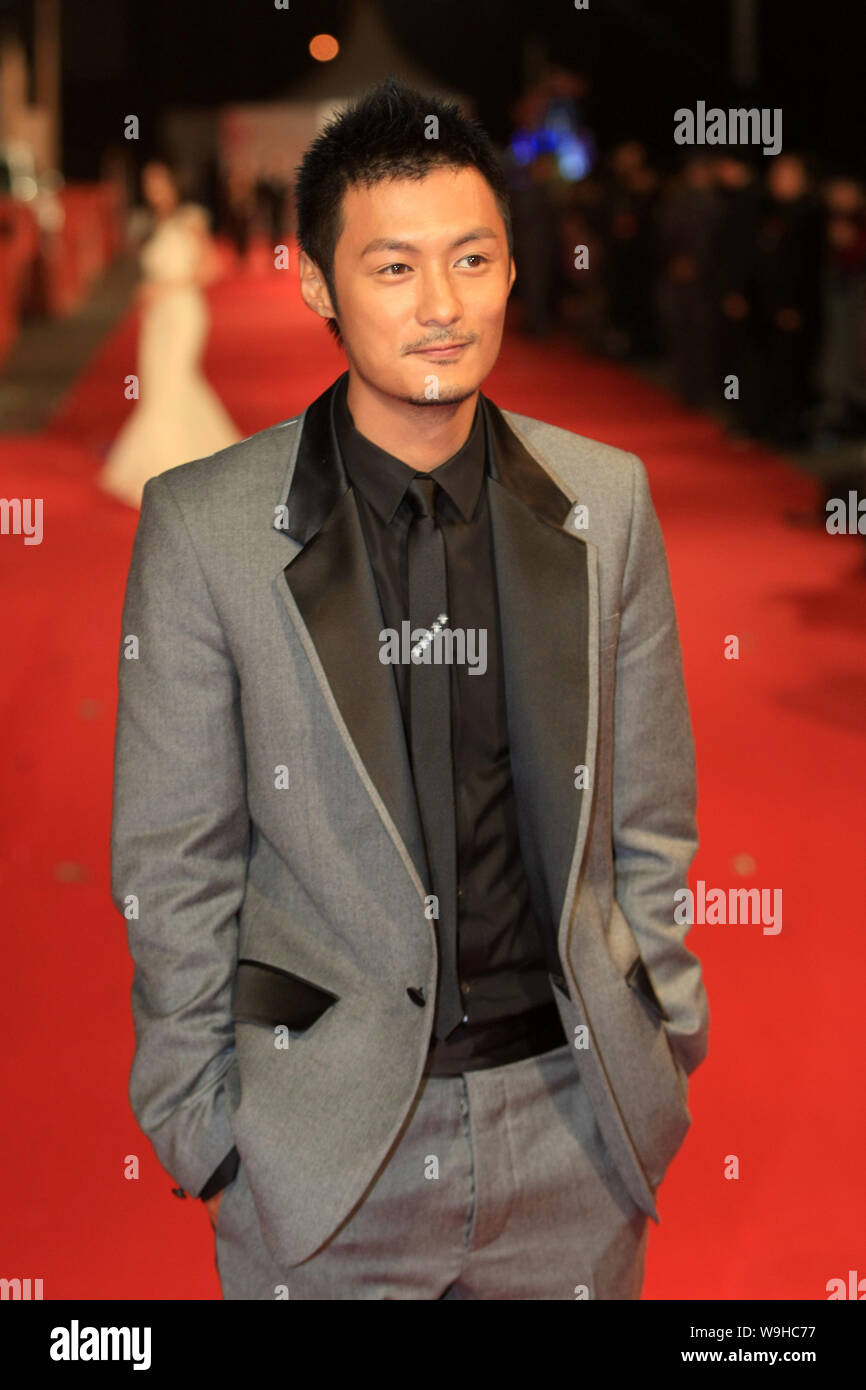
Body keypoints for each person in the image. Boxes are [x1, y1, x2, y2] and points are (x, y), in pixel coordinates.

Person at [111, 79, 708, 1300]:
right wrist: (207, 1131)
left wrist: (663, 1032)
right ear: (318, 285)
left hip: (572, 1138)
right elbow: (174, 859)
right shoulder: (208, 526)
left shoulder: (605, 502)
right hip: (320, 1157)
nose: (441, 307)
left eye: (471, 259)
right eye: (392, 269)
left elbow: (648, 817)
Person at [97, 160, 242, 509]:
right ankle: (202, 462)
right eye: (149, 184)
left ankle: (166, 472)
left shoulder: (191, 218)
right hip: (156, 319)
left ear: (174, 184)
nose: (153, 191)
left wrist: (163, 288)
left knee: (171, 384)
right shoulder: (150, 223)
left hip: (182, 313)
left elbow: (212, 268)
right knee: (164, 387)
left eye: (159, 183)